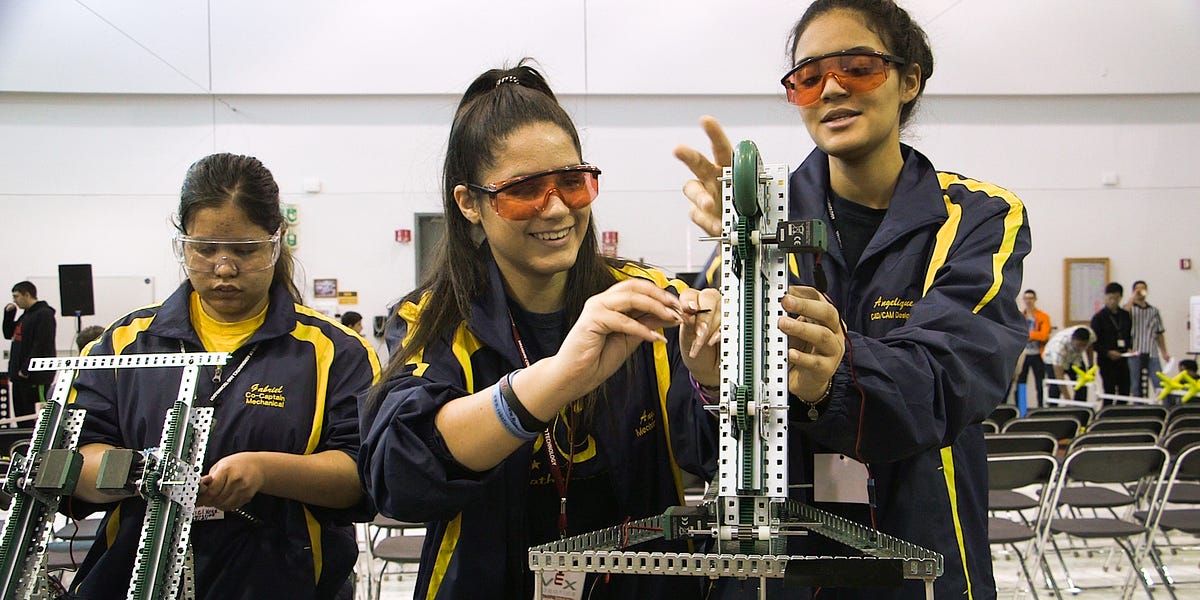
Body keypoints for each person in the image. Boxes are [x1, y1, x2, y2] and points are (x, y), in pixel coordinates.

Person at [673, 1, 1030, 597]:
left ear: (909, 78)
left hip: (919, 554)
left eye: (858, 66)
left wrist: (835, 374)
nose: (832, 87)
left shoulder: (975, 218)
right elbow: (705, 450)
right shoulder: (759, 227)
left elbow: (950, 379)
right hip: (781, 567)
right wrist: (714, 381)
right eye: (809, 76)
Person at [358, 63, 720, 599]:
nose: (555, 208)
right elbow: (398, 478)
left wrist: (712, 381)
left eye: (571, 183)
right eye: (524, 189)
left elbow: (711, 456)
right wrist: (555, 381)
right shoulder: (434, 320)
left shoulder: (644, 299)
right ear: (469, 204)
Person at [67, 153, 381, 600]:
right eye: (204, 249)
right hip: (139, 580)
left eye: (245, 250)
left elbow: (361, 473)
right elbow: (78, 459)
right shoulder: (127, 344)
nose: (224, 268)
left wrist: (265, 471)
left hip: (283, 581)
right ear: (183, 243)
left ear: (277, 241)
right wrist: (146, 472)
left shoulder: (335, 352)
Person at [3, 281, 57, 420]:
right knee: (22, 418)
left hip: (34, 378)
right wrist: (9, 315)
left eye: (17, 296)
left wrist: (27, 369)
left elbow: (42, 344)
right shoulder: (25, 315)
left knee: (36, 419)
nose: (15, 300)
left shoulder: (44, 314)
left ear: (27, 294)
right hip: (19, 378)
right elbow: (8, 334)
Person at [1125, 280, 1171, 397]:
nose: (1140, 292)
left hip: (1151, 351)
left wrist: (1164, 352)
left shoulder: (1153, 311)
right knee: (1135, 385)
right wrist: (1133, 298)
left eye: (1143, 289)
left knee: (1159, 382)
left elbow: (1159, 332)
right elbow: (1123, 314)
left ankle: (1164, 407)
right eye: (1137, 289)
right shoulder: (1130, 309)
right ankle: (1137, 409)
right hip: (1134, 351)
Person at [1091, 281, 1133, 401]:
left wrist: (1129, 347)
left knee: (1125, 390)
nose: (1113, 301)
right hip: (1106, 360)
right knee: (1109, 391)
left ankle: (1121, 416)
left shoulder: (1125, 315)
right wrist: (1108, 352)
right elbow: (1094, 342)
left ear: (1120, 297)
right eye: (1110, 298)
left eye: (1116, 298)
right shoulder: (1099, 317)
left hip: (1123, 358)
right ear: (1105, 297)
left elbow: (1129, 335)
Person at [1012, 289, 1051, 408]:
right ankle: (1021, 408)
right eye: (1026, 298)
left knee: (1040, 383)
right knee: (1020, 382)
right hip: (1022, 354)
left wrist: (1027, 335)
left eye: (1031, 298)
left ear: (1035, 300)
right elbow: (1015, 334)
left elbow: (1044, 335)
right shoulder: (1018, 316)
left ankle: (1040, 407)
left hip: (1038, 354)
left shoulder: (1043, 316)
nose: (1028, 301)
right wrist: (1034, 335)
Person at [1043, 325, 1097, 402]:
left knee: (1082, 384)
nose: (1081, 348)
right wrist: (1068, 400)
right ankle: (1052, 409)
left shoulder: (1091, 335)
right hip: (1052, 359)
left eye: (1083, 345)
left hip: (1075, 358)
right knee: (1055, 386)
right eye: (1079, 345)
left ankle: (1081, 409)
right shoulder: (1059, 346)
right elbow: (1059, 378)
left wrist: (1091, 365)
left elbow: (1090, 348)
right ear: (1073, 340)